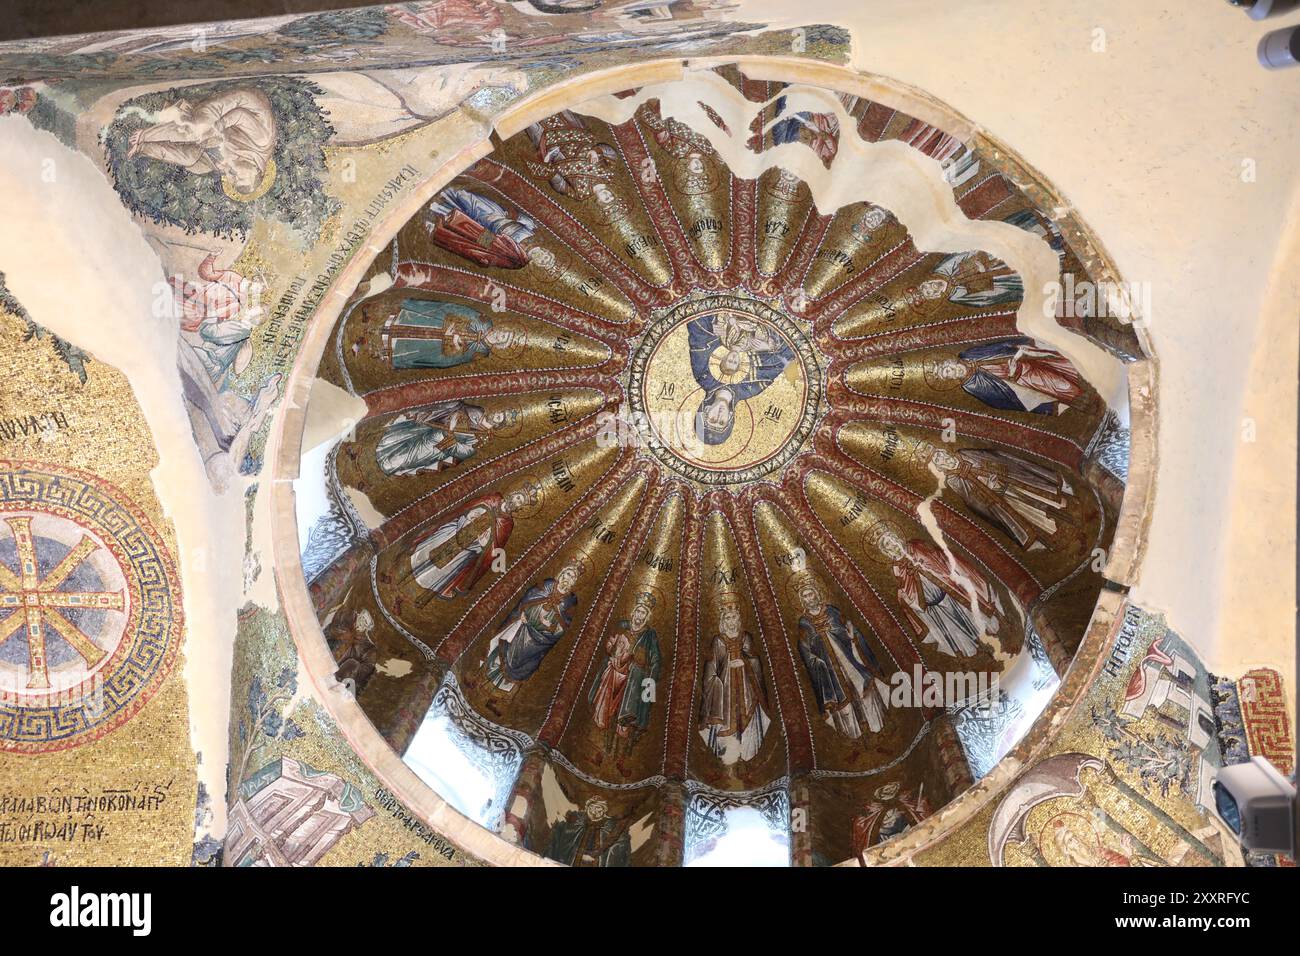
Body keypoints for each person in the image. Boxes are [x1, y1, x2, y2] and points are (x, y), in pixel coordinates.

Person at [126, 87, 277, 197]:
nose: (234, 177)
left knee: (193, 161)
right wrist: (215, 128)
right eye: (241, 177)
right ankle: (145, 134)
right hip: (233, 104)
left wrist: (221, 165)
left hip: (225, 124)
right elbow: (240, 115)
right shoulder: (262, 141)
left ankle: (142, 147)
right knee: (198, 133)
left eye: (234, 181)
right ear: (256, 170)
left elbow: (218, 151)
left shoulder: (244, 160)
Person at [408, 481, 540, 599]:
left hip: (467, 549)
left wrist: (486, 541)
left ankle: (425, 588)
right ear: (513, 493)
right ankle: (409, 570)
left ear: (520, 507)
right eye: (518, 498)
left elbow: (494, 550)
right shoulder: (492, 499)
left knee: (442, 570)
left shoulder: (507, 524)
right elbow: (466, 508)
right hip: (453, 532)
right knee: (425, 554)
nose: (516, 502)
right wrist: (471, 516)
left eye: (519, 502)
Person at [793, 574, 886, 740]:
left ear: (817, 594)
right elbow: (805, 650)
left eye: (811, 594)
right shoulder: (804, 623)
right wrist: (818, 661)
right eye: (805, 596)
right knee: (843, 704)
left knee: (864, 688)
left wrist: (849, 634)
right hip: (829, 670)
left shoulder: (831, 611)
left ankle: (877, 727)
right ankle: (855, 737)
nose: (809, 598)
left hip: (849, 659)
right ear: (802, 601)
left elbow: (848, 628)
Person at [688, 313, 795, 446]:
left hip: (731, 310)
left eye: (712, 419)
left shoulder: (702, 374)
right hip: (769, 319)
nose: (719, 415)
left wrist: (713, 326)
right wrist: (769, 346)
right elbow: (785, 356)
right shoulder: (751, 388)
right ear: (730, 418)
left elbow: (697, 329)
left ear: (706, 410)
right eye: (722, 422)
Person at [483, 561, 582, 691]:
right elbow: (528, 598)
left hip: (540, 640)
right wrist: (522, 613)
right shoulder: (548, 584)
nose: (568, 578)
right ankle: (487, 676)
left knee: (525, 663)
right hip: (524, 626)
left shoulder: (570, 601)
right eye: (567, 574)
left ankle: (502, 688)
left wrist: (550, 626)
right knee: (507, 649)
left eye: (572, 577)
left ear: (574, 583)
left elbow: (563, 626)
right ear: (561, 573)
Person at [588, 588, 661, 760]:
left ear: (647, 616)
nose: (640, 615)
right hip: (614, 677)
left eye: (644, 612)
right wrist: (613, 649)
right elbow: (609, 646)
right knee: (608, 714)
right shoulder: (622, 626)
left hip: (634, 683)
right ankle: (601, 751)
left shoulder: (650, 636)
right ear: (634, 611)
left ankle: (619, 758)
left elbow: (656, 660)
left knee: (626, 721)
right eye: (638, 611)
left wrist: (644, 669)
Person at [698, 592, 771, 763]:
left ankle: (748, 756)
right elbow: (711, 668)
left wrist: (745, 663)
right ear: (723, 621)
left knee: (749, 720)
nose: (731, 621)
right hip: (724, 691)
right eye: (728, 618)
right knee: (726, 723)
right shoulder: (718, 640)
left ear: (738, 619)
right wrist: (720, 677)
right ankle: (728, 756)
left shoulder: (745, 637)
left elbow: (755, 660)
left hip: (747, 688)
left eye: (733, 617)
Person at [375, 401, 518, 476]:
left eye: (499, 417)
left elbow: (466, 451)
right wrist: (453, 417)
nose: (496, 415)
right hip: (433, 426)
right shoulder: (478, 411)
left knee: (408, 457)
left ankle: (388, 466)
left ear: (499, 424)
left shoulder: (482, 438)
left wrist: (451, 437)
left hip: (438, 446)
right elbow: (459, 409)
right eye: (498, 412)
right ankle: (381, 451)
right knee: (401, 437)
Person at [545, 797, 630, 867]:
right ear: (587, 809)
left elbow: (618, 842)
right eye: (592, 809)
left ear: (604, 812)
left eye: (599, 810)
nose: (595, 813)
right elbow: (565, 839)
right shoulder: (578, 821)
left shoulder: (609, 826)